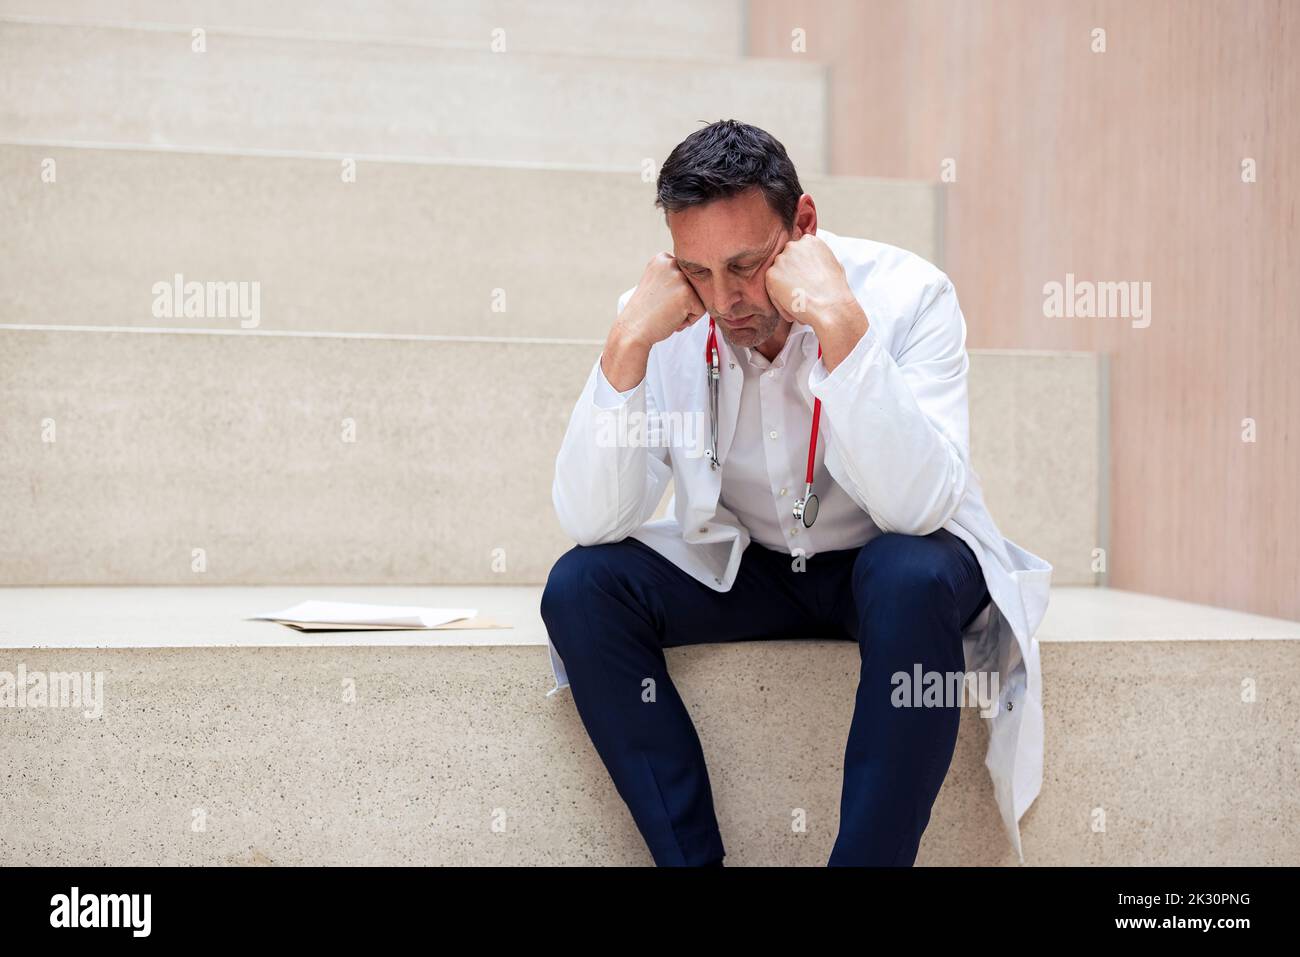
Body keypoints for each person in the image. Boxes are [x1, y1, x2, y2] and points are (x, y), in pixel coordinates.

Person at [541, 119, 1052, 866]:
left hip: (887, 564)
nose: (724, 300)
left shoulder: (909, 295)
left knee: (912, 575)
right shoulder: (667, 317)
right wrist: (626, 344)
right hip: (755, 561)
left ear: (803, 225)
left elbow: (919, 508)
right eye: (699, 271)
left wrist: (840, 325)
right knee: (581, 588)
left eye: (745, 266)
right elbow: (591, 518)